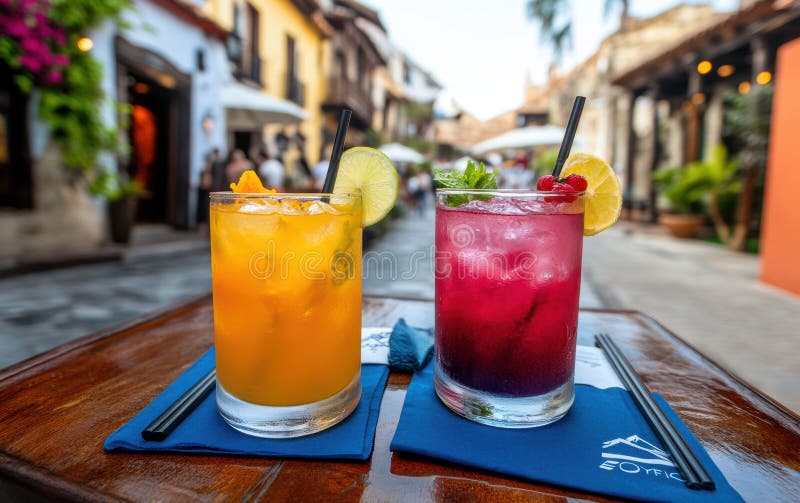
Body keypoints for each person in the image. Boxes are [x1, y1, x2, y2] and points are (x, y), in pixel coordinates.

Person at [196, 149, 218, 233]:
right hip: (205, 192)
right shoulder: (205, 170)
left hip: (210, 191)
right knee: (203, 209)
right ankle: (203, 227)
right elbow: (204, 183)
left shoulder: (214, 169)